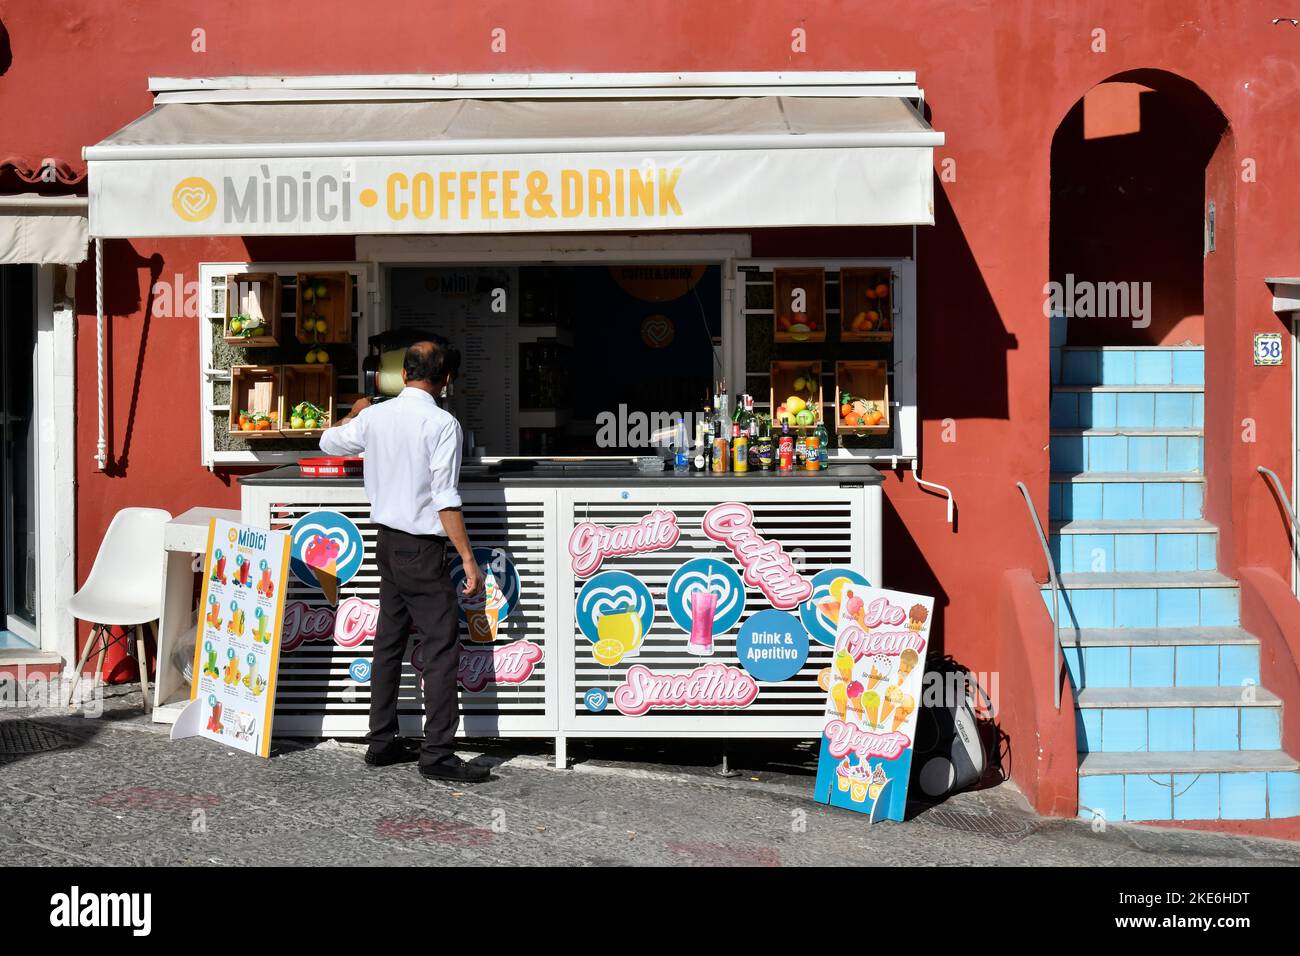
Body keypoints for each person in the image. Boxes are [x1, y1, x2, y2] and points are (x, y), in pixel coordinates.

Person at [319, 336, 488, 783]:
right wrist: (468, 559)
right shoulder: (442, 424)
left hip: (388, 544)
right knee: (440, 648)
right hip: (422, 550)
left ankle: (381, 742)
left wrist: (355, 413)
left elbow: (328, 441)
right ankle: (437, 755)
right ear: (446, 378)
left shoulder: (374, 416)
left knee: (389, 643)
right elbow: (446, 498)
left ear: (402, 374)